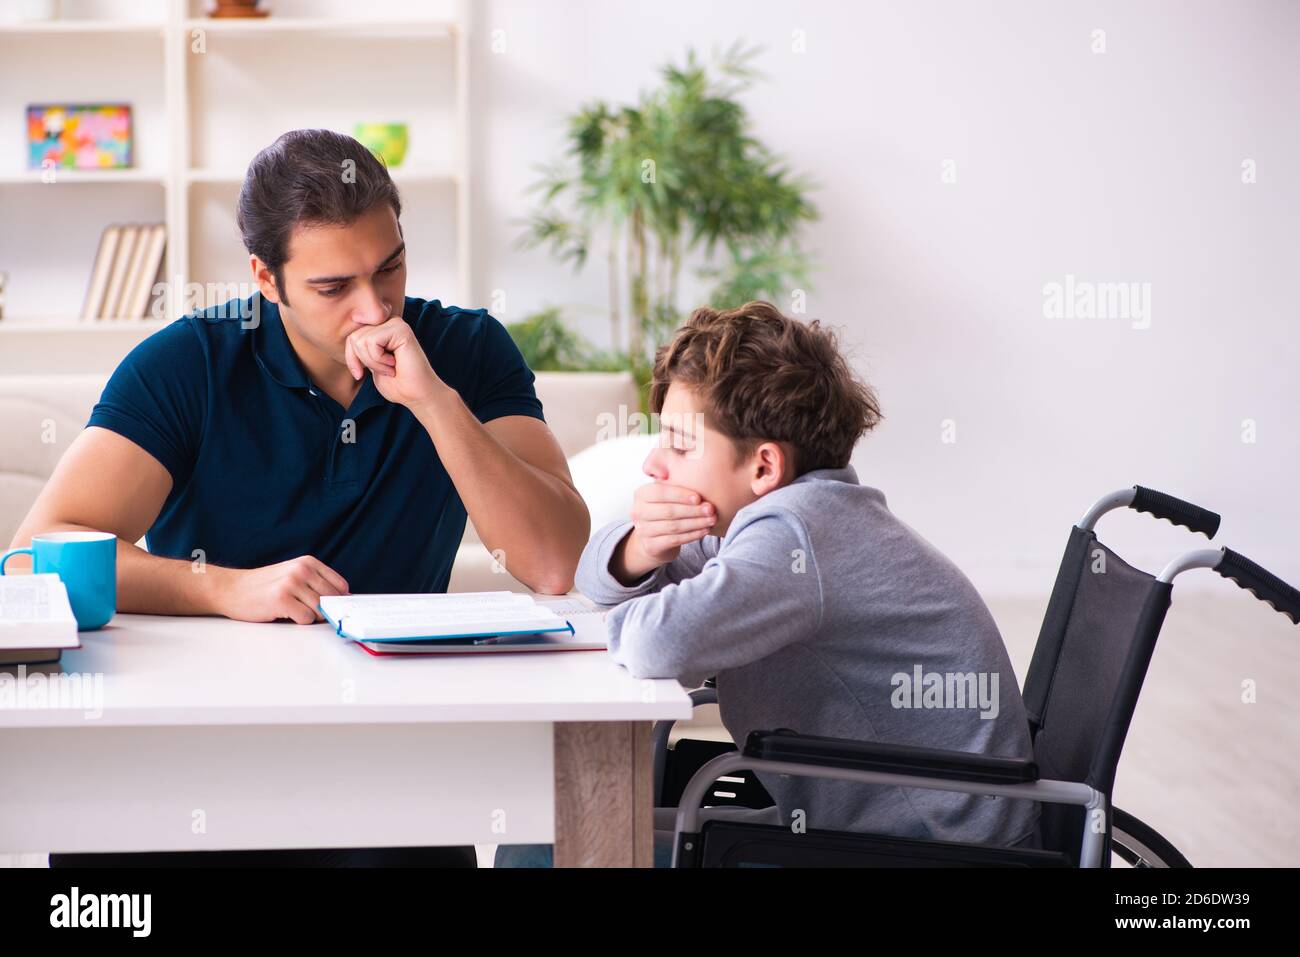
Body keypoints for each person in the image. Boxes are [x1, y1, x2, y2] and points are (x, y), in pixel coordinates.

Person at [10, 129, 590, 867]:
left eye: (391, 268)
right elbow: (36, 557)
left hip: (390, 755)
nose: (375, 307)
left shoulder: (467, 352)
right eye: (332, 287)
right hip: (201, 736)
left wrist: (437, 405)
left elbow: (553, 562)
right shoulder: (189, 364)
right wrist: (228, 589)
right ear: (265, 276)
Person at [496, 301, 1038, 867]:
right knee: (558, 833)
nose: (654, 466)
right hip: (893, 831)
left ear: (763, 468)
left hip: (928, 852)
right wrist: (639, 551)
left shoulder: (796, 535)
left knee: (544, 852)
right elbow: (598, 581)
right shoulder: (790, 517)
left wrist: (639, 612)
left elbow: (660, 642)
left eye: (680, 444)